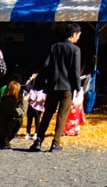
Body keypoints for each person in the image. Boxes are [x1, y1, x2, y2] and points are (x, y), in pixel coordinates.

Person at [30, 22, 82, 152]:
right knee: (62, 115)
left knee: (47, 113)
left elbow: (46, 64)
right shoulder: (75, 50)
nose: (79, 37)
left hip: (53, 85)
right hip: (67, 87)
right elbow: (75, 71)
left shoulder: (54, 47)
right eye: (78, 35)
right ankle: (55, 143)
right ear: (74, 34)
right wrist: (78, 87)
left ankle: (38, 141)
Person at [0, 79, 24, 149]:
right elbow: (20, 114)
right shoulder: (13, 102)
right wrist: (25, 102)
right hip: (5, 130)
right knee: (19, 120)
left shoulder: (2, 100)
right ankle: (5, 140)